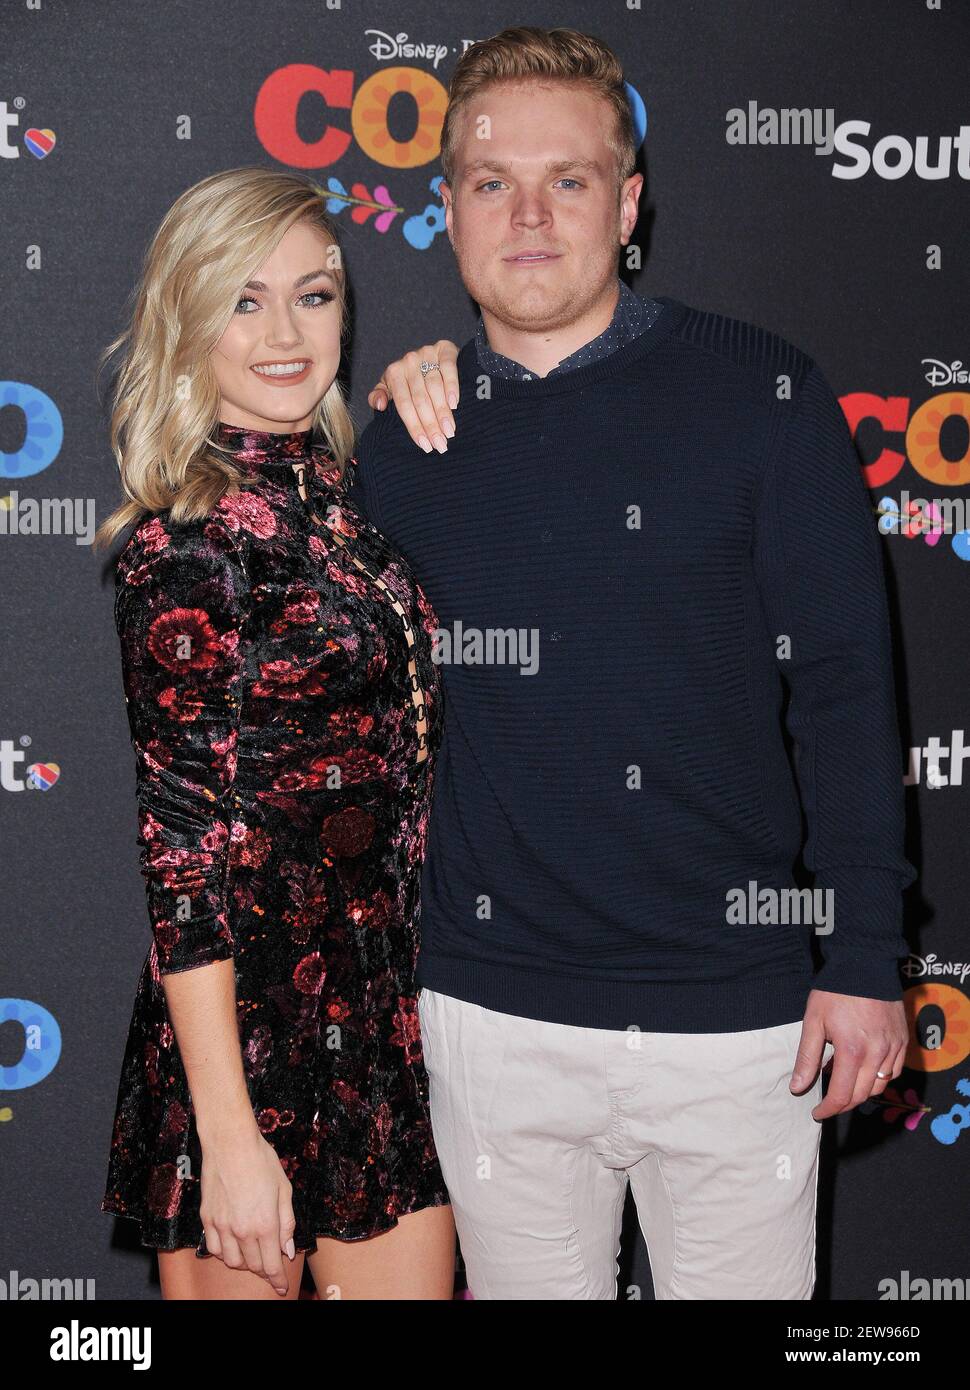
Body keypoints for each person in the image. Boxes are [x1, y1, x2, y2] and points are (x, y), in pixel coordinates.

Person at [352, 26, 917, 1300]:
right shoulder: (398, 443)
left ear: (629, 204)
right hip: (490, 1023)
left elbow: (843, 688)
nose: (532, 214)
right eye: (493, 182)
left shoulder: (762, 394)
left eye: (571, 179)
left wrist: (863, 957)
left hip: (741, 1027)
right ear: (446, 210)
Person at [94, 167, 455, 1300]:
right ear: (188, 321)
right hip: (248, 1051)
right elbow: (183, 861)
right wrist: (229, 1140)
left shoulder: (343, 498)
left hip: (386, 1028)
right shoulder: (185, 550)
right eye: (244, 301)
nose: (287, 332)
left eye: (314, 294)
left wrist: (442, 369)